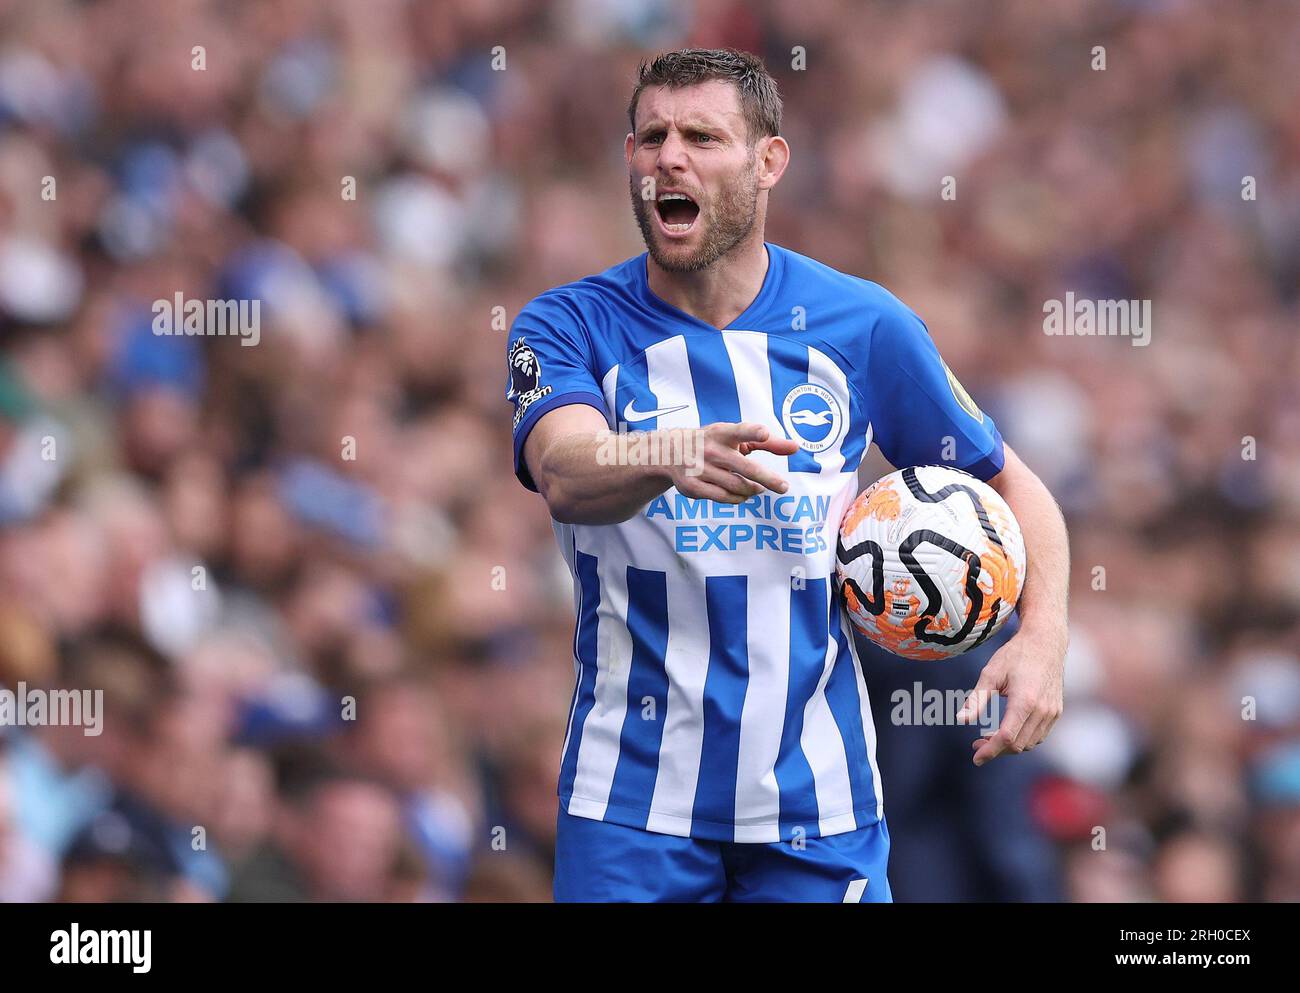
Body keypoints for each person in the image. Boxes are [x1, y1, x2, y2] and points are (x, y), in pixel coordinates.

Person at [506, 48, 1070, 902]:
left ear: (768, 162)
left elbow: (1013, 484)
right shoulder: (568, 323)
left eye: (702, 135)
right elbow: (561, 466)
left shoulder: (862, 325)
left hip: (817, 806)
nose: (670, 157)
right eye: (652, 136)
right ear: (629, 159)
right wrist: (662, 451)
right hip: (629, 806)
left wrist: (1044, 637)